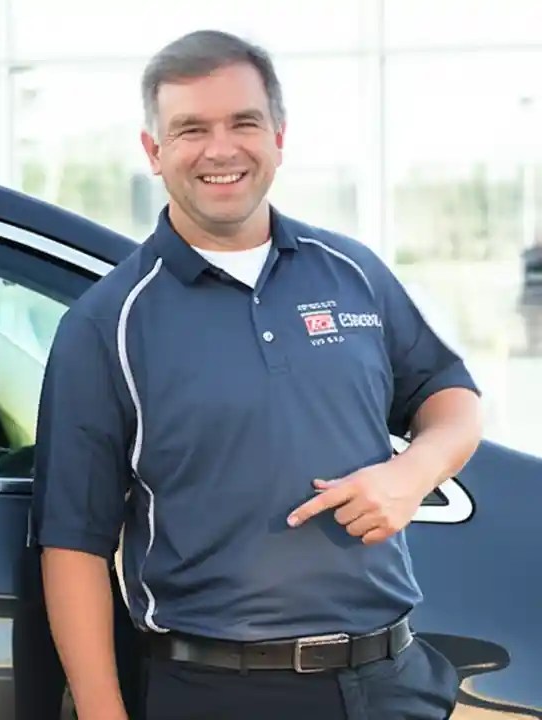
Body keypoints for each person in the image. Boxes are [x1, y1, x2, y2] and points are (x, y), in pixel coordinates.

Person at [29, 29, 484, 720]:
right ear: (154, 152)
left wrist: (412, 473)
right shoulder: (108, 323)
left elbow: (452, 398)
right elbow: (72, 545)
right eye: (190, 129)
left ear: (278, 134)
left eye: (243, 122)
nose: (220, 149)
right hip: (219, 691)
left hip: (391, 683)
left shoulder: (352, 272)